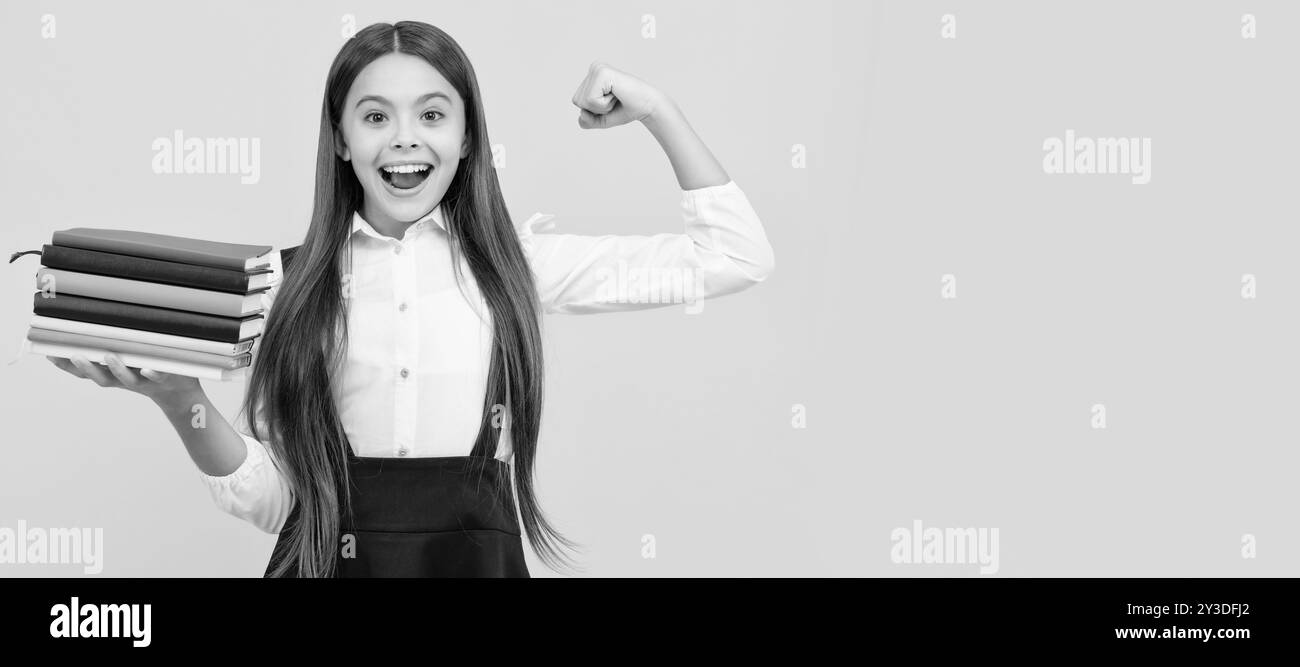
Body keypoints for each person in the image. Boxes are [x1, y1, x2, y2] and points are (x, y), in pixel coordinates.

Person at [48, 20, 775, 577]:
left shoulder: (518, 269)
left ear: (466, 138)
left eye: (432, 115)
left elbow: (736, 256)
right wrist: (182, 400)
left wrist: (657, 109)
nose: (405, 140)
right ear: (340, 138)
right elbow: (279, 506)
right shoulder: (276, 283)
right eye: (374, 117)